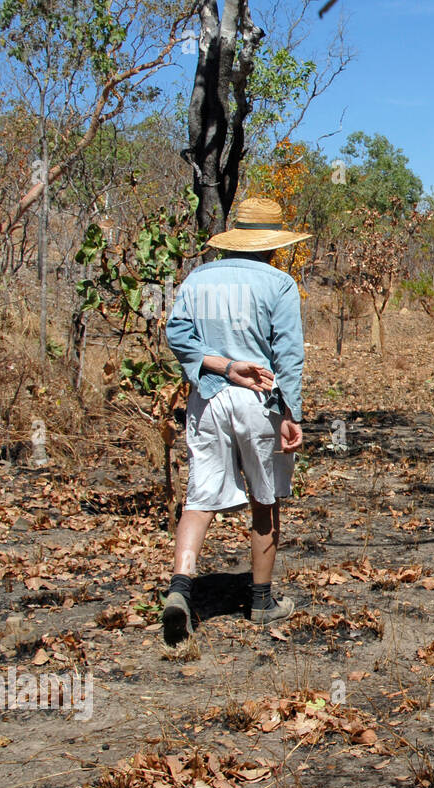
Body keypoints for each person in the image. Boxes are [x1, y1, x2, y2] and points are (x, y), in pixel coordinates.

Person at [161, 197, 309, 648]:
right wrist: (291, 413)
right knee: (265, 498)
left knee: (200, 496)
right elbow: (288, 355)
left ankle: (180, 587)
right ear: (272, 244)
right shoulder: (280, 284)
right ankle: (261, 601)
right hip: (259, 399)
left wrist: (223, 367)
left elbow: (177, 334)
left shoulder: (199, 277)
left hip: (207, 397)